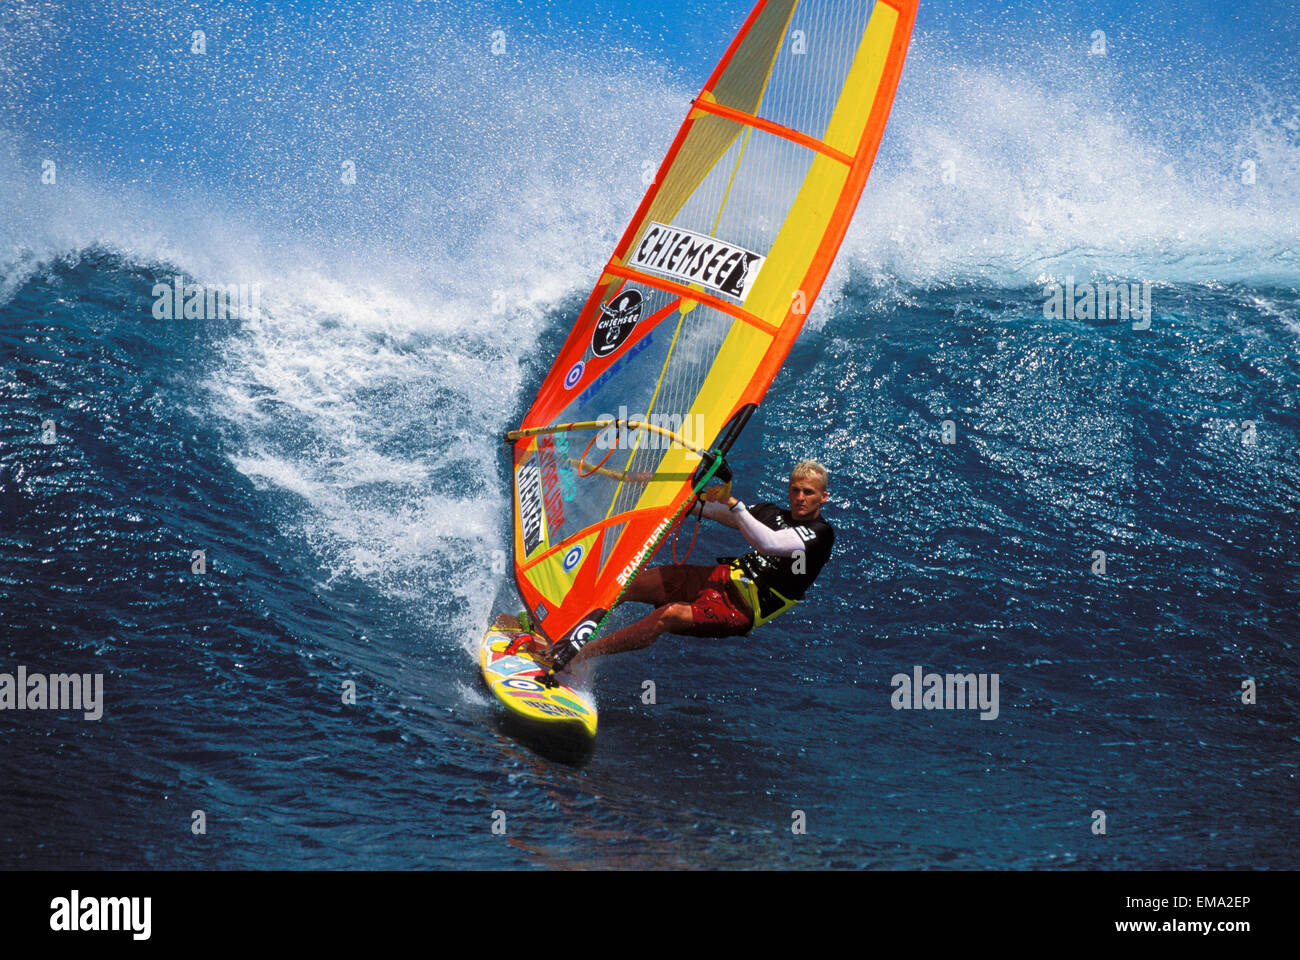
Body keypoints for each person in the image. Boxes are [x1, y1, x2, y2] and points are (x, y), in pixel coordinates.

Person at [540, 459, 834, 672]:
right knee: (625, 583)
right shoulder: (771, 512)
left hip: (743, 608)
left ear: (823, 497)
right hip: (721, 578)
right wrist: (677, 495)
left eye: (808, 492)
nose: (800, 498)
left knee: (668, 615)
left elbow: (768, 543)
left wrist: (735, 503)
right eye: (795, 490)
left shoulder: (821, 533)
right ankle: (556, 625)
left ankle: (574, 656)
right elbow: (723, 514)